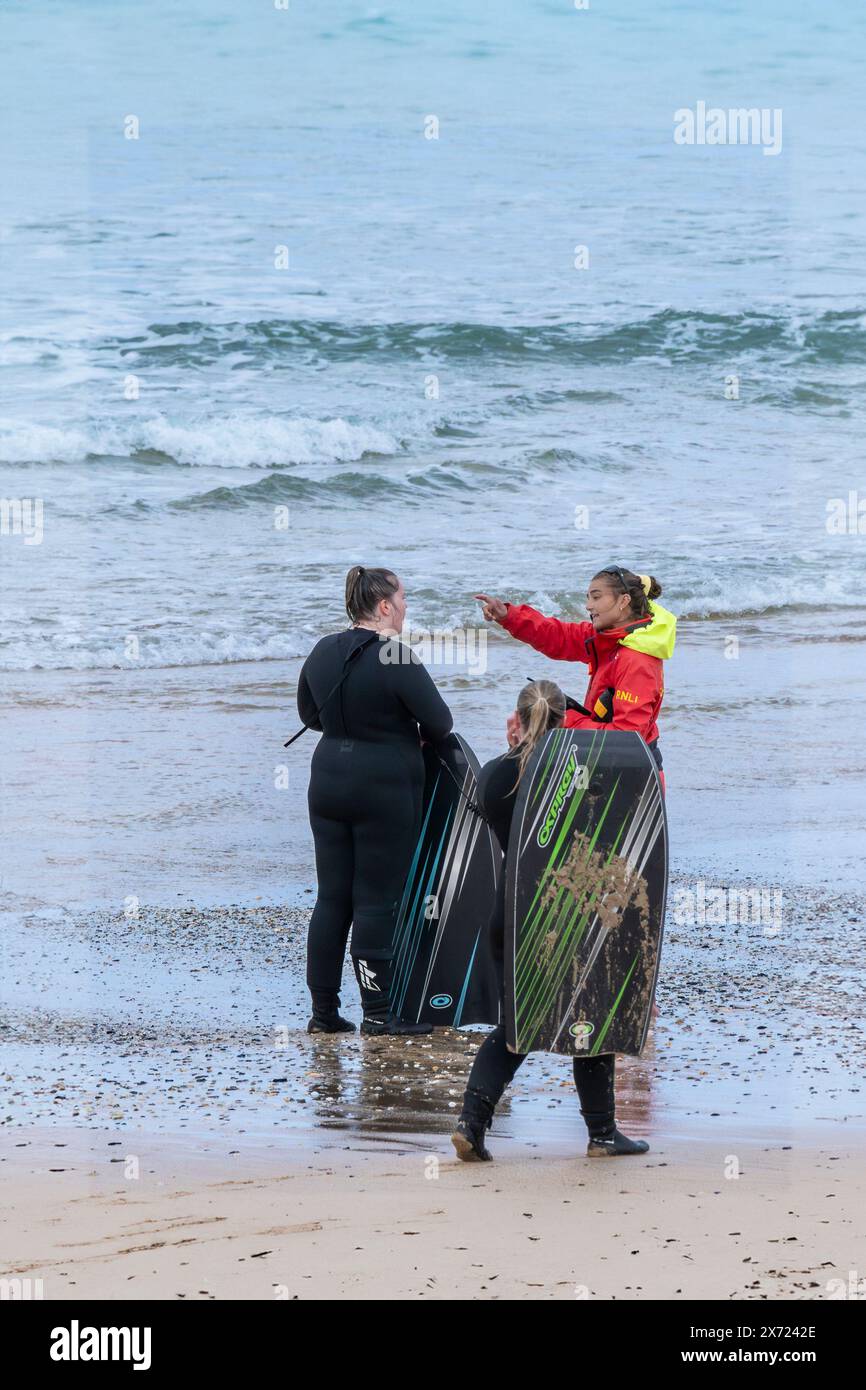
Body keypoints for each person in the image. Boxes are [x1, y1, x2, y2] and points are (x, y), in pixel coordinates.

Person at [451, 680, 651, 1162]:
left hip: (513, 916)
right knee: (592, 1015)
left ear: (516, 722)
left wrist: (514, 748)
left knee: (516, 1024)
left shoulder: (495, 777)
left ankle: (472, 1124)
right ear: (568, 722)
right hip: (570, 917)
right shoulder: (586, 774)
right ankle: (602, 1134)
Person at [297, 566, 453, 1036]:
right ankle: (379, 1014)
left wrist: (354, 729)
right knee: (374, 902)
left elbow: (309, 714)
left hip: (327, 780)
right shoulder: (395, 655)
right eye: (402, 599)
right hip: (382, 786)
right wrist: (395, 734)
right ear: (384, 606)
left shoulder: (323, 649)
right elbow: (440, 722)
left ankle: (324, 1014)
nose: (405, 608)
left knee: (331, 899)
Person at [475, 567, 675, 791]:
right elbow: (557, 636)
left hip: (633, 779)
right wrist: (509, 616)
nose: (589, 606)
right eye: (588, 598)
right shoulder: (609, 638)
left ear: (624, 601)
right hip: (608, 762)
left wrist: (562, 721)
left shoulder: (637, 660)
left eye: (596, 597)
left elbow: (627, 739)